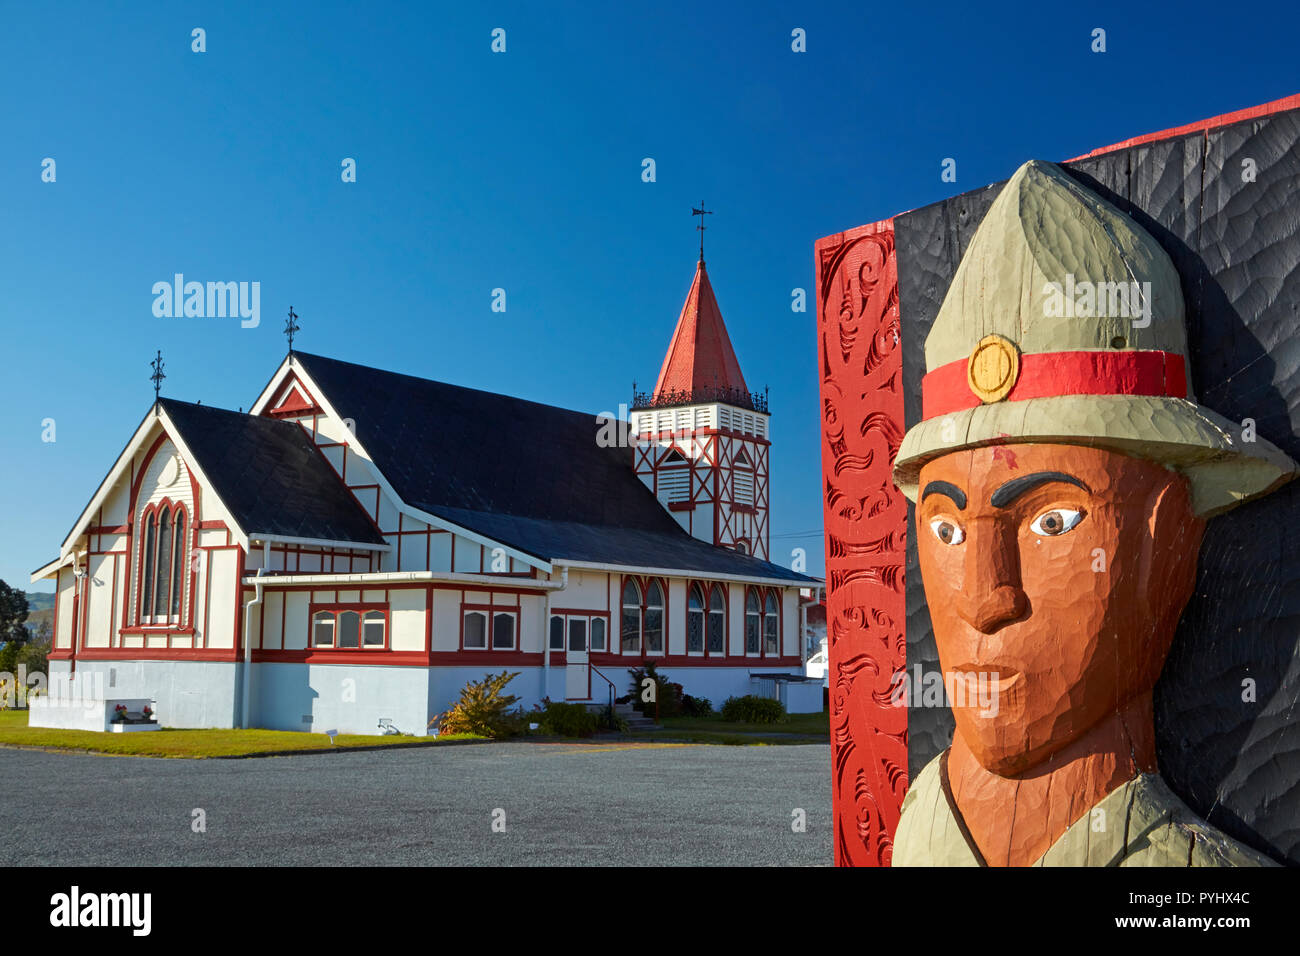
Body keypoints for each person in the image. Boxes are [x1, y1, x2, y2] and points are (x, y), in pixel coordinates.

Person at [889, 160, 1294, 867]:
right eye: (946, 529)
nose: (985, 599)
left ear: (1170, 546)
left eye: (1052, 522)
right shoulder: (915, 829)